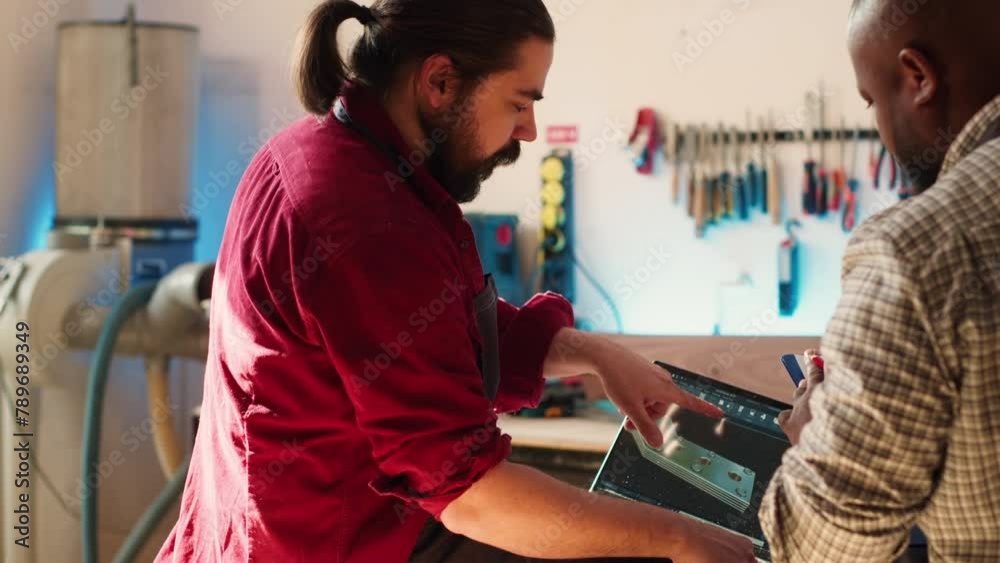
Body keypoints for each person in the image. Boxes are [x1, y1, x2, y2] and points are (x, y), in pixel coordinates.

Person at [155, 1, 757, 562]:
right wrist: (678, 538)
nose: (528, 132)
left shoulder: (325, 152)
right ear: (440, 82)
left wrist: (593, 353)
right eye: (519, 103)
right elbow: (471, 495)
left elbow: (441, 328)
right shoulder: (364, 219)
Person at [760, 0, 1000, 561]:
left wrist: (816, 440)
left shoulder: (917, 249)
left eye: (871, 102)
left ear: (918, 77)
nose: (880, 130)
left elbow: (825, 549)